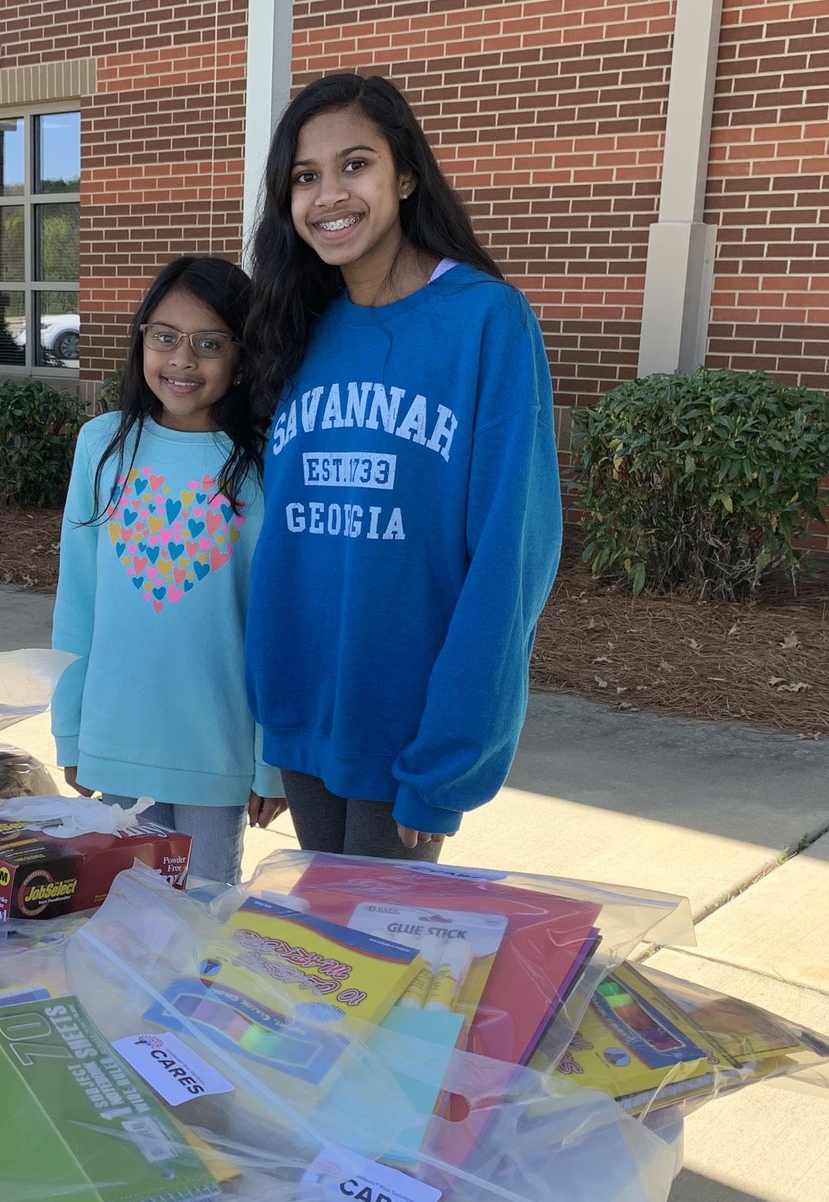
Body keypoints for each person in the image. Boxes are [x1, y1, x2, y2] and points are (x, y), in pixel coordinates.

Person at [241, 73, 562, 862]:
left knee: (375, 964)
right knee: (321, 961)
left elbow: (510, 560)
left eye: (355, 165)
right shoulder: (298, 325)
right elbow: (282, 537)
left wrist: (450, 758)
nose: (327, 196)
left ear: (406, 175)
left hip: (407, 728)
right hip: (303, 718)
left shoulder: (487, 321)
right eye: (304, 177)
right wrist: (271, 731)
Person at [51, 256, 286, 885]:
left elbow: (276, 622)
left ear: (242, 357)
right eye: (165, 337)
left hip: (217, 745)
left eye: (209, 343)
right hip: (117, 737)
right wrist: (70, 730)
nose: (183, 360)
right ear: (141, 340)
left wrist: (271, 762)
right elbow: (78, 598)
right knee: (115, 918)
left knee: (202, 921)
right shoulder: (102, 445)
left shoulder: (265, 460)